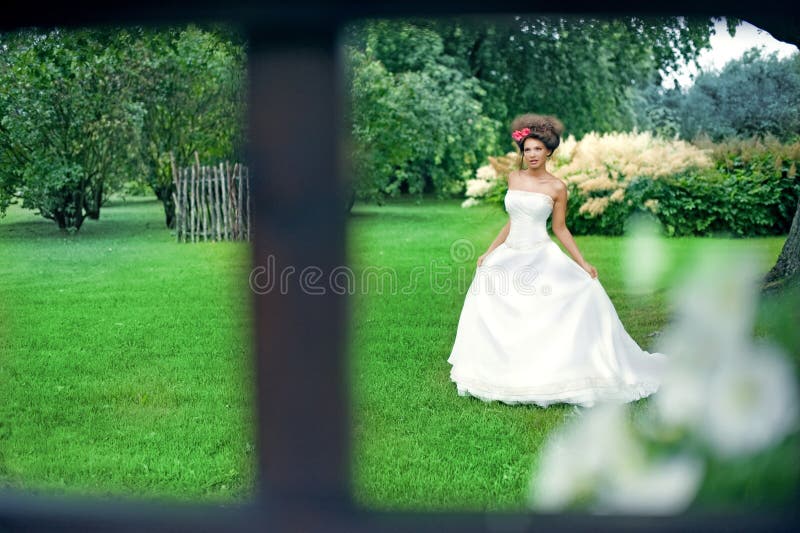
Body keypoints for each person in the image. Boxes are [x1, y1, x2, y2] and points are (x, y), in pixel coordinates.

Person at [447, 113, 667, 407]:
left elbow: (560, 228)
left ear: (549, 151)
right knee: (488, 290)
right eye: (527, 150)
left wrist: (582, 262)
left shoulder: (557, 187)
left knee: (562, 302)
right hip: (509, 255)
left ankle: (552, 370)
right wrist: (489, 252)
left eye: (537, 149)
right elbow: (512, 221)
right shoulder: (514, 178)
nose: (532, 155)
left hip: (540, 253)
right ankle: (499, 368)